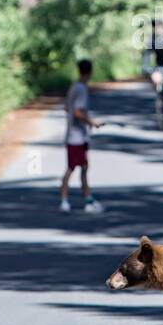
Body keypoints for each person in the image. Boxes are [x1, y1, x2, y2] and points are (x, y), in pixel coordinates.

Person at [60, 59, 104, 213]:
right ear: (90, 72)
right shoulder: (81, 89)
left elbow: (67, 107)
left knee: (81, 167)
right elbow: (78, 112)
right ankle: (68, 200)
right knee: (74, 168)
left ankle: (86, 200)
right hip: (76, 137)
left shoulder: (74, 87)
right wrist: (92, 123)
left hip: (75, 135)